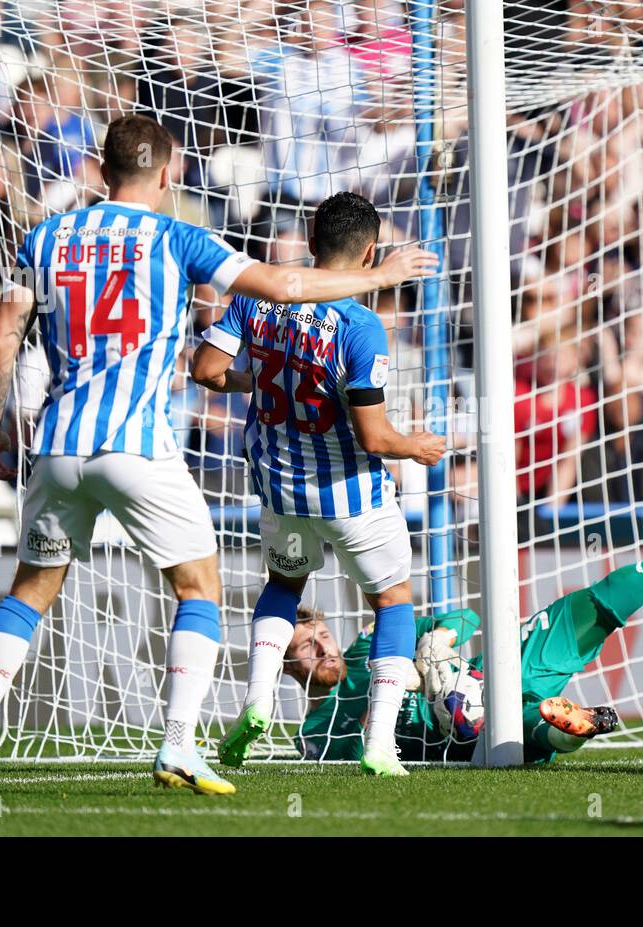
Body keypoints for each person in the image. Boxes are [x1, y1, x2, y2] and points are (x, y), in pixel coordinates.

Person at [0, 115, 437, 798]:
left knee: (29, 591)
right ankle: (178, 745)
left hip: (58, 441)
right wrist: (379, 274)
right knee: (198, 587)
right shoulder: (179, 236)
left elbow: (3, 337)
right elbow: (289, 289)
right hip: (139, 445)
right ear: (171, 171)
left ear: (100, 167)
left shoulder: (46, 234)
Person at [286, 450, 643, 764]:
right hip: (455, 741)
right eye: (306, 649)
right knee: (510, 724)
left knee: (597, 602)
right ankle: (568, 731)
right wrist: (403, 691)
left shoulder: (367, 645)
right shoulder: (314, 733)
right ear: (291, 670)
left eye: (320, 635)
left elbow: (462, 619)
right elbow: (351, 753)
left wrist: (436, 642)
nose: (321, 647)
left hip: (491, 670)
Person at [191, 191, 446, 777]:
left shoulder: (258, 297)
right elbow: (376, 438)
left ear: (310, 242)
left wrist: (253, 378)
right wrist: (417, 446)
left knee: (282, 587)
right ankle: (379, 743)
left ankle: (255, 706)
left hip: (279, 488)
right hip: (349, 494)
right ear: (371, 252)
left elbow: (204, 371)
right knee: (392, 603)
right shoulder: (362, 327)